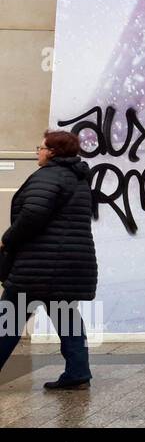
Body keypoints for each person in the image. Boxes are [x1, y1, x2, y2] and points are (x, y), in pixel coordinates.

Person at [0, 130, 98, 389]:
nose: (38, 152)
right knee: (67, 318)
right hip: (69, 265)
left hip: (38, 265)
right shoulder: (78, 179)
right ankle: (78, 373)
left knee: (8, 318)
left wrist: (7, 239)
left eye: (41, 147)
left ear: (53, 152)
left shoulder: (49, 176)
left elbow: (32, 214)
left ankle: (77, 374)